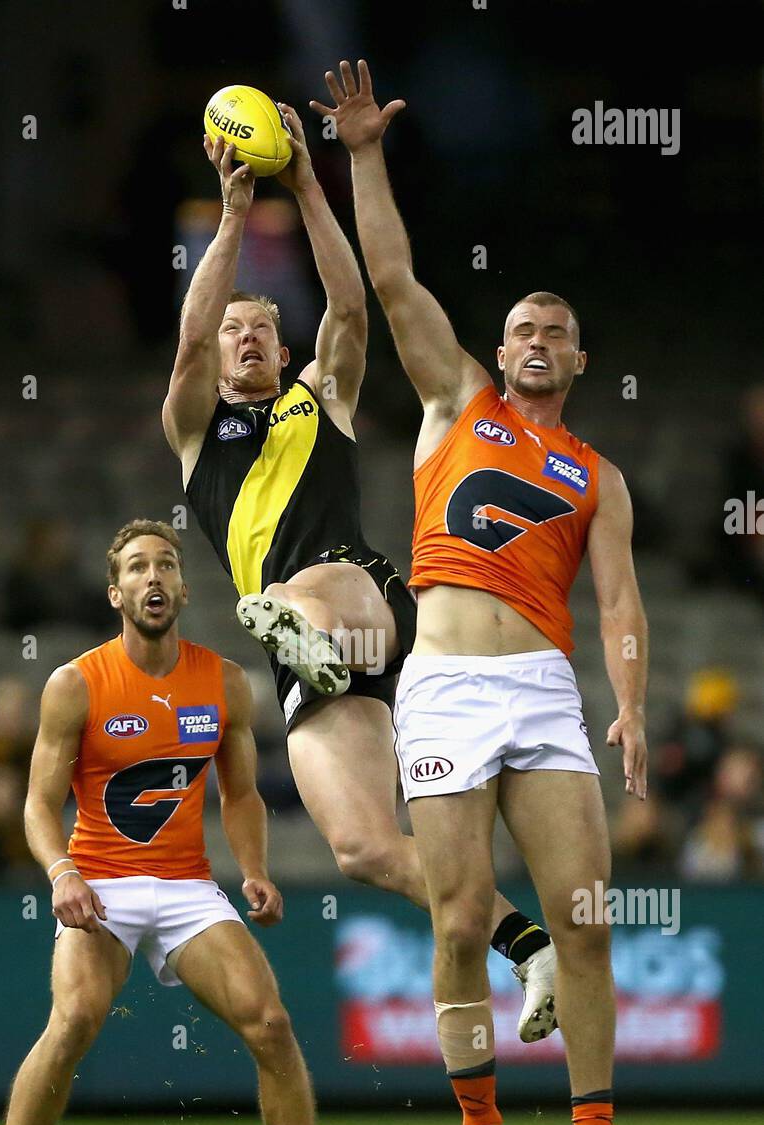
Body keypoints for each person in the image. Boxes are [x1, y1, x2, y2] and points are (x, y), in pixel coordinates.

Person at [316, 59, 670, 1125]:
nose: (529, 338)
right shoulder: (451, 402)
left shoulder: (596, 476)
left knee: (582, 917)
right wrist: (364, 153)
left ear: (576, 360)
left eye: (551, 332)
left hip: (541, 688)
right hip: (448, 685)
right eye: (519, 324)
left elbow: (617, 604)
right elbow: (392, 275)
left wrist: (627, 699)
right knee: (461, 918)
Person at [162, 108, 557, 1044]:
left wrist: (306, 183)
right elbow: (183, 345)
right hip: (314, 659)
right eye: (233, 332)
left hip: (366, 598)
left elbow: (348, 306)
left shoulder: (317, 399)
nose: (247, 338)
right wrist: (229, 218)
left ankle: (300, 628)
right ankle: (527, 944)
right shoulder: (194, 436)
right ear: (216, 357)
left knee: (287, 594)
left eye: (261, 327)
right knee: (363, 849)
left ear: (285, 352)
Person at [0, 520, 362, 1125]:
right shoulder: (74, 684)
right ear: (116, 592)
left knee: (272, 1026)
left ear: (183, 588)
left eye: (167, 566)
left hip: (186, 886)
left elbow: (239, 795)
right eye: (138, 569)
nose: (154, 578)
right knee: (77, 1018)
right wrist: (61, 874)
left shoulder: (223, 681)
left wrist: (252, 869)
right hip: (102, 884)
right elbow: (35, 805)